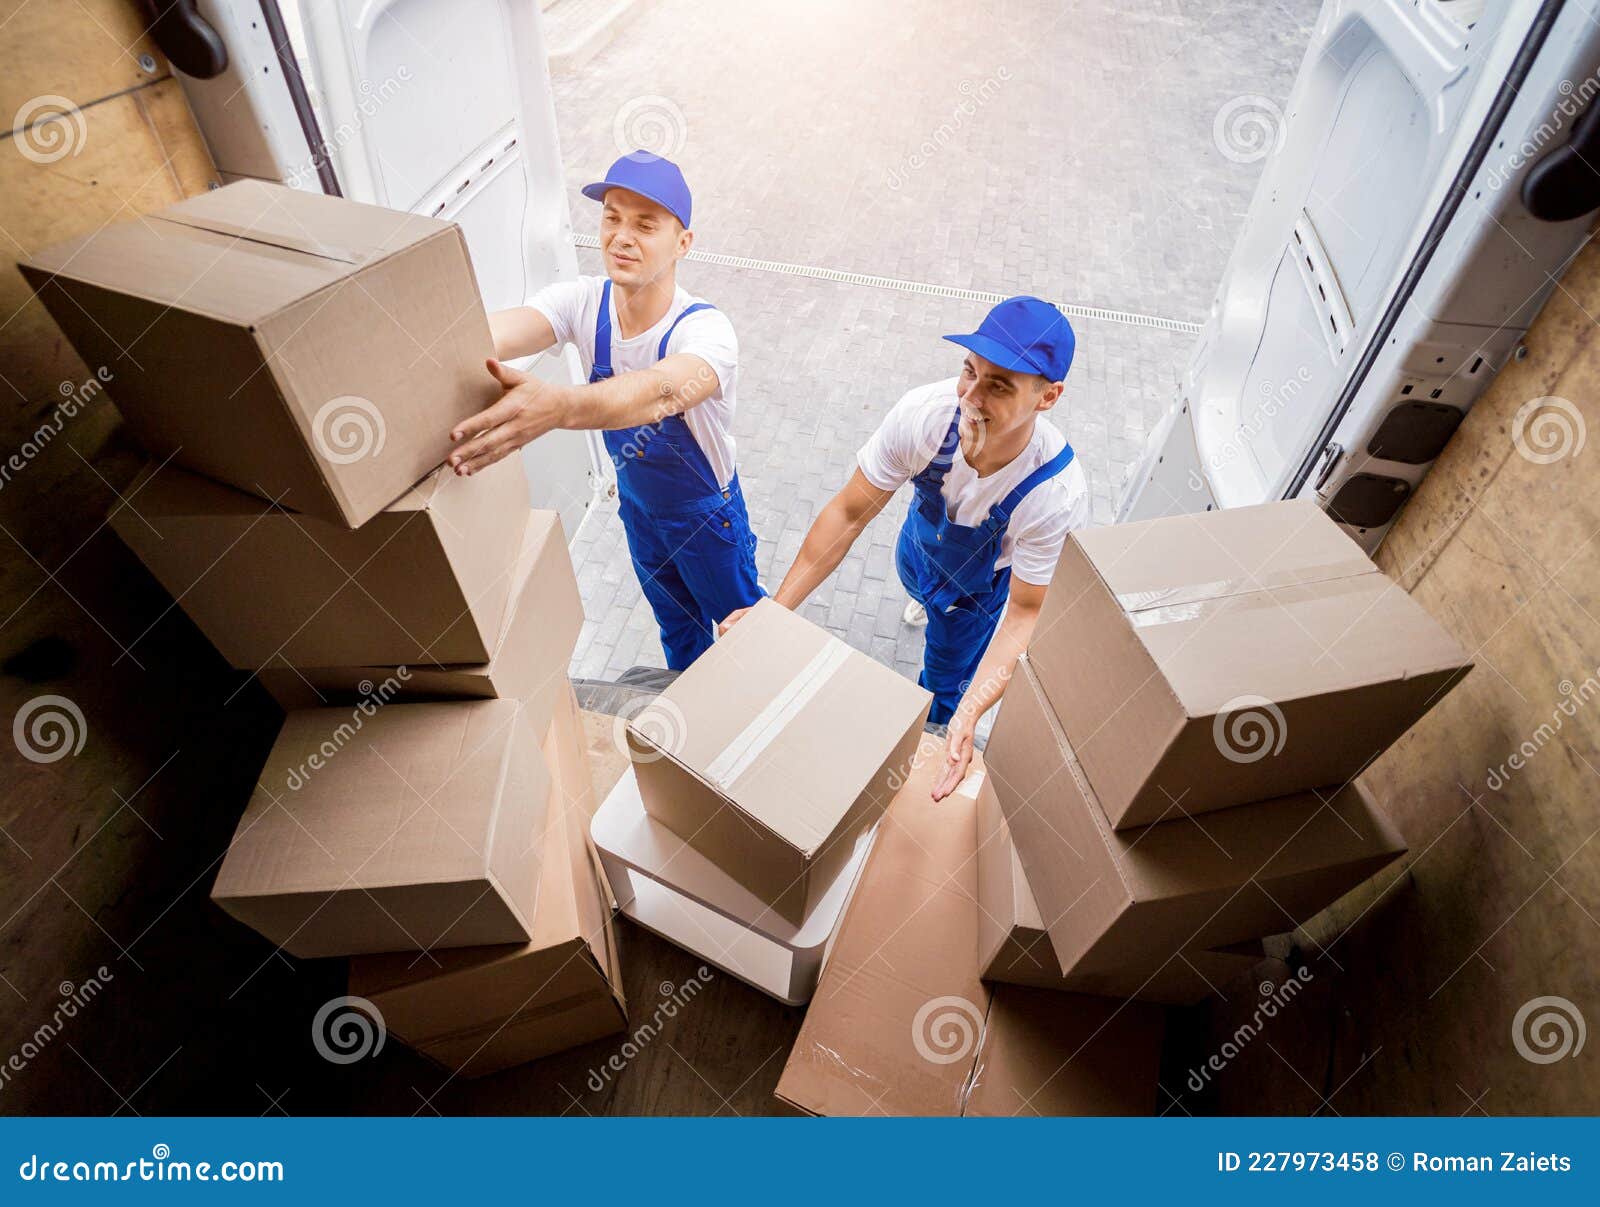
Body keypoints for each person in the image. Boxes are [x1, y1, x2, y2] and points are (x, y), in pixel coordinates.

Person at [721, 296, 1088, 799]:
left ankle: (933, 734)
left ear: (1048, 398)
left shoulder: (1054, 492)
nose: (972, 397)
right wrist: (774, 612)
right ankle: (920, 597)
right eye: (969, 371)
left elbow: (1025, 613)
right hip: (918, 552)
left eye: (999, 386)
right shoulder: (924, 418)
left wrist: (970, 712)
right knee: (915, 579)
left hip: (973, 598)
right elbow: (850, 513)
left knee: (945, 680)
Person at [448, 150, 760, 669]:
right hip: (640, 511)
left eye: (645, 224)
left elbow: (661, 392)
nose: (621, 236)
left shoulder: (707, 332)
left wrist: (559, 408)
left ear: (683, 242)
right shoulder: (582, 302)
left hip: (706, 521)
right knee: (679, 633)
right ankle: (690, 729)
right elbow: (488, 334)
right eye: (611, 217)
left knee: (744, 643)